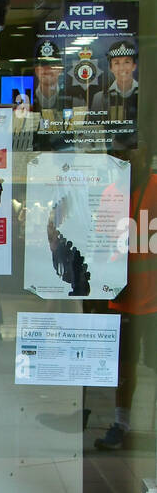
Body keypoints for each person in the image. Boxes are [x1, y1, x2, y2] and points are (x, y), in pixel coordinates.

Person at [94, 162, 157, 450]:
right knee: (124, 367)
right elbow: (102, 241)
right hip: (123, 296)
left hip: (152, 297)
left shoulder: (154, 186)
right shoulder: (110, 192)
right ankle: (121, 423)